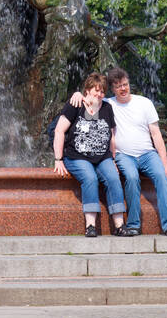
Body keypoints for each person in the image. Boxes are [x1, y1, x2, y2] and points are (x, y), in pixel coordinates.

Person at [71, 67, 167, 236]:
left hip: (148, 154)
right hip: (123, 155)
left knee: (162, 178)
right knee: (132, 178)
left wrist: (164, 163)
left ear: (129, 84)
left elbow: (156, 135)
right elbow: (88, 98)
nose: (123, 88)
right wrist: (77, 94)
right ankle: (133, 224)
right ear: (112, 89)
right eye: (118, 86)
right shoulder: (108, 104)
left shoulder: (144, 103)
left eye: (125, 84)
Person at [53, 72, 125, 238]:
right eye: (96, 90)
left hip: (102, 157)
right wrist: (58, 159)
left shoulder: (107, 108)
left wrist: (112, 159)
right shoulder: (75, 104)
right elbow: (59, 130)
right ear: (87, 90)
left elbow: (111, 136)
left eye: (102, 91)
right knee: (90, 178)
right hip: (77, 157)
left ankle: (119, 225)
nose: (99, 94)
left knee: (113, 178)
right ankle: (90, 226)